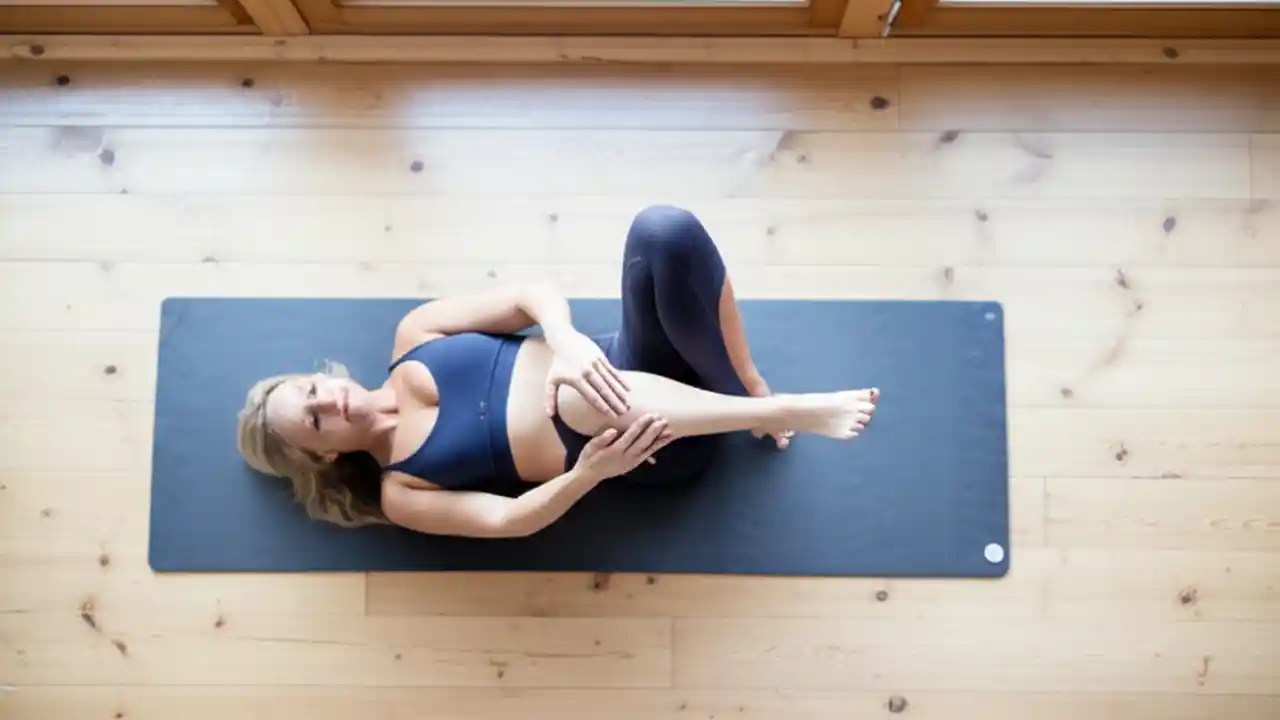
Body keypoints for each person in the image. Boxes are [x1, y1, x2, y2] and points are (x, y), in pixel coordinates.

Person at [236, 205, 879, 538]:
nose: (332, 402)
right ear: (318, 457)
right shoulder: (402, 493)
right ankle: (781, 413)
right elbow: (508, 521)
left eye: (314, 389)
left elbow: (527, 297)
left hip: (631, 357)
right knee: (574, 402)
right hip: (642, 448)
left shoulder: (413, 336)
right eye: (316, 420)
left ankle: (752, 390)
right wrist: (589, 474)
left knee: (664, 230)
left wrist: (564, 338)